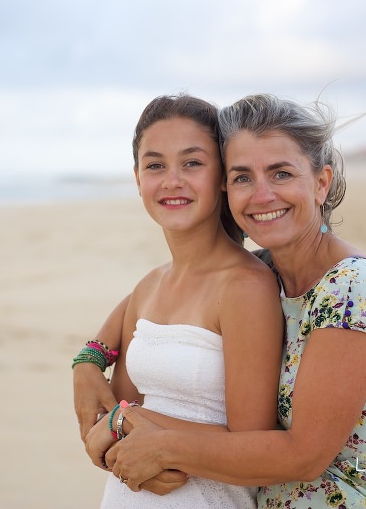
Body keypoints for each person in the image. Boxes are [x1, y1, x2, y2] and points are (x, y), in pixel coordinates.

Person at [83, 94, 366, 508]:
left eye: (281, 174)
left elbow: (303, 455)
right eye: (242, 177)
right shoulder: (269, 270)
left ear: (321, 183)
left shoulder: (356, 290)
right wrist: (89, 357)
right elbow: (159, 295)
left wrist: (148, 434)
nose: (261, 195)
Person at [72, 94, 284, 508]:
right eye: (155, 165)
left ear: (222, 176)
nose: (172, 180)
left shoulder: (245, 286)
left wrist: (138, 427)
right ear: (137, 179)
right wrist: (88, 361)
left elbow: (254, 448)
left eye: (192, 163)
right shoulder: (150, 285)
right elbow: (115, 417)